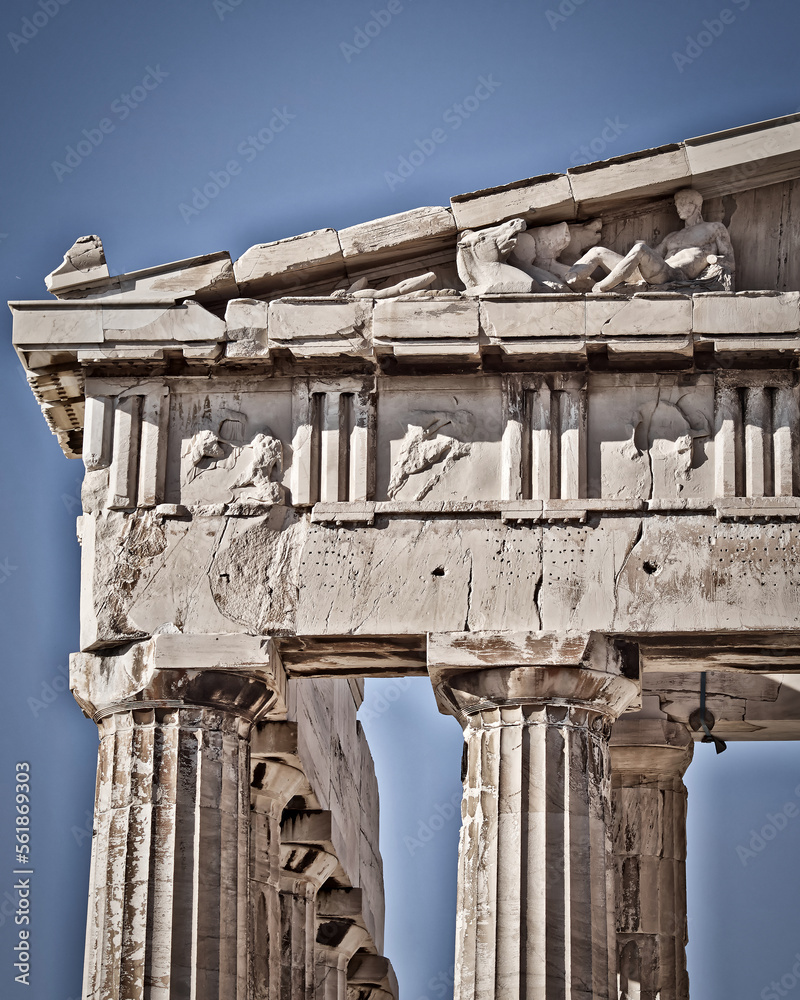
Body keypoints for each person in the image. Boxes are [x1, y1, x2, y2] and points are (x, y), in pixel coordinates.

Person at [590, 187, 734, 292]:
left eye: (683, 203)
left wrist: (713, 260)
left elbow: (731, 261)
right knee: (597, 252)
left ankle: (603, 286)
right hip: (654, 272)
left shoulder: (714, 228)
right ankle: (576, 281)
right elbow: (654, 254)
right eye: (677, 203)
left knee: (640, 250)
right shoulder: (672, 236)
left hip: (675, 275)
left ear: (697, 205)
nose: (678, 207)